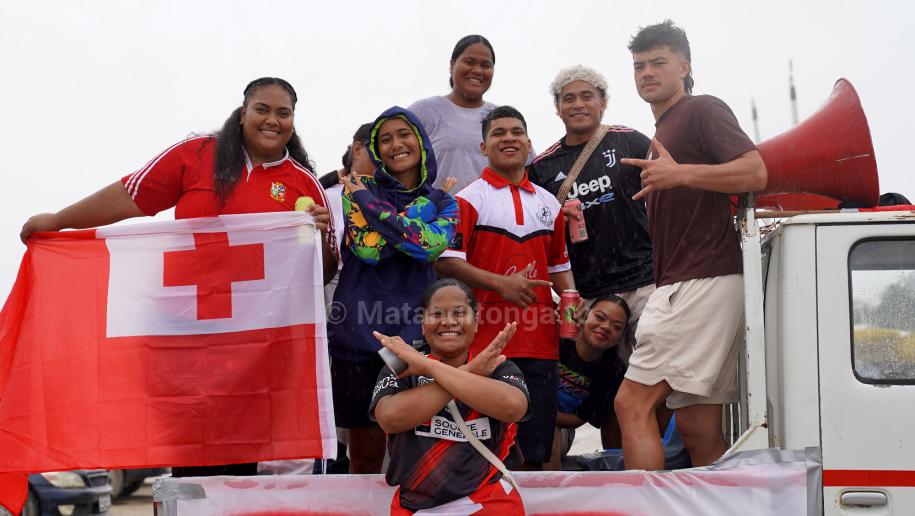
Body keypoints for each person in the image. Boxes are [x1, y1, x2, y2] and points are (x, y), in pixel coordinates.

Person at [19, 77, 337, 476]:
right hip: (185, 330)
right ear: (243, 113)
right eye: (262, 109)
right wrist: (59, 221)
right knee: (191, 451)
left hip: (258, 343)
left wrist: (321, 234)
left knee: (244, 451)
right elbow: (131, 196)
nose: (272, 120)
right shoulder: (197, 155)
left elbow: (321, 274)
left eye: (283, 113)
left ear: (293, 121)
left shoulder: (303, 183)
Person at [614, 20, 767, 470]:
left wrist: (681, 174)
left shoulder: (702, 109)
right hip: (699, 281)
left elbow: (756, 172)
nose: (646, 73)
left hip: (699, 281)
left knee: (632, 405)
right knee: (700, 431)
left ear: (685, 67)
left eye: (658, 63)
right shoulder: (665, 128)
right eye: (639, 66)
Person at [436, 106, 574, 470]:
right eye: (499, 133)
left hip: (541, 345)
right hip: (485, 347)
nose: (509, 138)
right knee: (484, 455)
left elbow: (561, 269)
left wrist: (575, 312)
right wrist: (501, 284)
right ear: (483, 147)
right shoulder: (467, 198)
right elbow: (446, 262)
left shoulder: (549, 203)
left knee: (535, 454)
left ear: (529, 144)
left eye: (517, 132)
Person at [528, 66, 656, 448]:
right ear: (557, 108)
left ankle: (642, 470)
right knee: (585, 382)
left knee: (649, 383)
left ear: (603, 102)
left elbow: (664, 198)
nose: (579, 104)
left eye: (587, 96)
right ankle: (593, 470)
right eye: (569, 98)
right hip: (581, 296)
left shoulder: (631, 142)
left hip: (644, 283)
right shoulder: (543, 167)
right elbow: (538, 230)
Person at [328, 107, 459, 473]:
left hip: (414, 337)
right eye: (385, 139)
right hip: (358, 334)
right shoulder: (357, 190)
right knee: (365, 452)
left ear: (420, 141)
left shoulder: (445, 201)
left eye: (404, 134)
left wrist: (374, 209)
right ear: (376, 150)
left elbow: (429, 248)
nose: (396, 144)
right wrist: (420, 216)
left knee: (415, 446)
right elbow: (370, 251)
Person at [371, 279, 529, 515]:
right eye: (436, 314)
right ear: (422, 324)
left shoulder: (496, 365)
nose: (448, 321)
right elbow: (390, 417)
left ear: (476, 323)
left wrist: (429, 367)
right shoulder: (403, 366)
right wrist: (468, 372)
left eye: (459, 313)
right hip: (414, 507)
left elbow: (513, 407)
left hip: (489, 503)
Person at [548, 295, 629, 470]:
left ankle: (551, 489)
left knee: (548, 428)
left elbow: (579, 419)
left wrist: (542, 414)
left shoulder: (613, 370)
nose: (606, 327)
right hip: (523, 413)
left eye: (616, 327)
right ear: (585, 316)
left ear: (620, 336)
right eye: (599, 317)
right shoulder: (558, 341)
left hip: (560, 430)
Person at [408, 35, 497, 193]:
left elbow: (525, 170)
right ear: (452, 65)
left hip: (488, 217)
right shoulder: (423, 111)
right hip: (435, 214)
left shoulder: (501, 118)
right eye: (469, 62)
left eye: (485, 65)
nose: (477, 70)